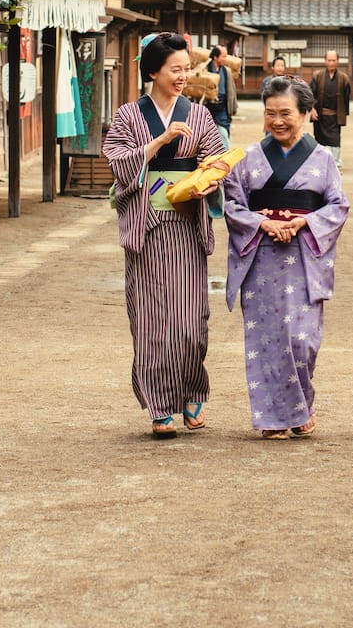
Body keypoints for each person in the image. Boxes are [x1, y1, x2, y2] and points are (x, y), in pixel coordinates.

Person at [103, 32, 230, 440]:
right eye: (175, 69)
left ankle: (192, 391)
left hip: (187, 225)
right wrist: (158, 142)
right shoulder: (128, 116)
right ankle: (160, 406)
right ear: (153, 71)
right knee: (154, 321)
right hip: (148, 228)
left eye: (187, 69)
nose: (183, 76)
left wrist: (209, 181)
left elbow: (215, 159)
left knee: (192, 321)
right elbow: (117, 160)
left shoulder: (199, 114)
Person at [222, 77, 349, 440]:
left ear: (307, 114)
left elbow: (338, 206)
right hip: (261, 256)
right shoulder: (246, 159)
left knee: (301, 340)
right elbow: (232, 205)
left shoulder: (323, 159)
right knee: (265, 340)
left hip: (305, 255)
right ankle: (273, 418)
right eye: (270, 113)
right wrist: (262, 222)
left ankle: (300, 405)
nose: (277, 120)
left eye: (286, 113)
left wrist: (303, 222)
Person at [309, 50, 352, 166]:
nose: (331, 63)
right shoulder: (317, 76)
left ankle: (336, 162)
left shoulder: (344, 78)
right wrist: (312, 109)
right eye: (329, 60)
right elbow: (310, 94)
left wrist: (344, 113)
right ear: (325, 61)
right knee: (319, 138)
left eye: (334, 60)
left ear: (337, 61)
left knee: (335, 139)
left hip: (335, 115)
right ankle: (319, 160)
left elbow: (346, 97)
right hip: (320, 114)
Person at [203, 44, 236, 146]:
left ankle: (225, 157)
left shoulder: (226, 71)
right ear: (215, 57)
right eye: (223, 56)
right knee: (207, 134)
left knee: (223, 132)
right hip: (207, 106)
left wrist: (233, 106)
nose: (226, 59)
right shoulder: (205, 69)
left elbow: (232, 90)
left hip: (222, 106)